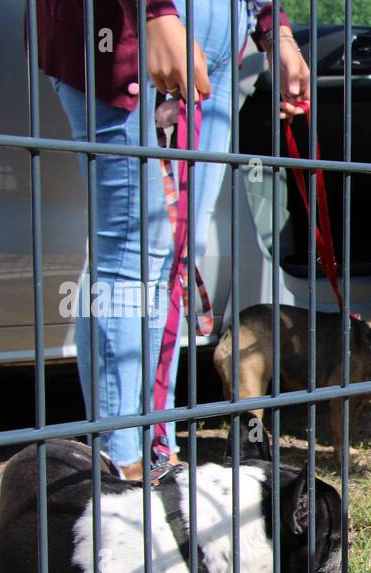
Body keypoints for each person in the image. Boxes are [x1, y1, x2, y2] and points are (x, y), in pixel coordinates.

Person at [37, 1, 310, 481]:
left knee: (178, 252)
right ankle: (121, 462)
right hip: (123, 25)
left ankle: (156, 446)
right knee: (133, 251)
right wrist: (155, 13)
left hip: (223, 41)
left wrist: (276, 34)